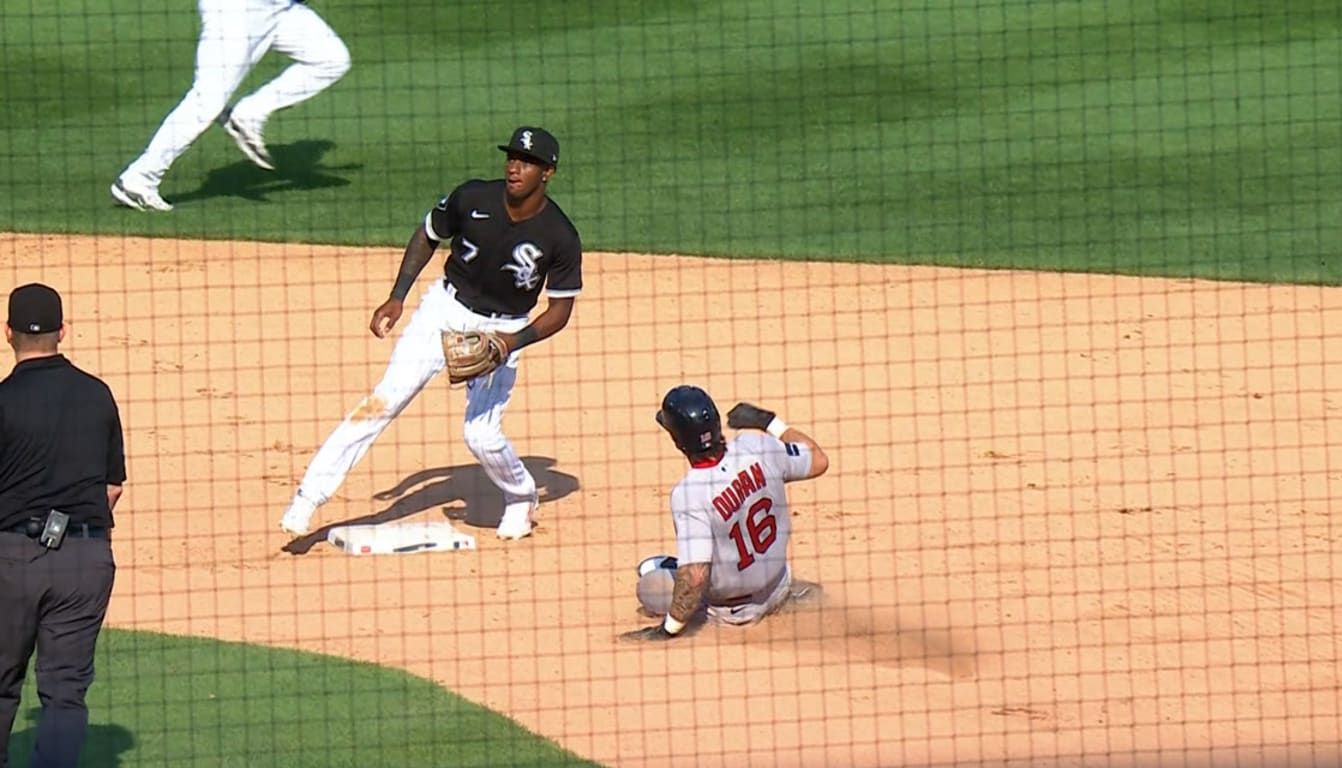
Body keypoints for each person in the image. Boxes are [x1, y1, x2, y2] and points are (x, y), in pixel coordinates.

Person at [280, 126, 582, 541]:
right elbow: (428, 234)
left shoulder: (560, 235)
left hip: (504, 327)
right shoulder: (473, 197)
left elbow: (560, 310)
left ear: (547, 172)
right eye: (512, 157)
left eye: (527, 162)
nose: (515, 167)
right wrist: (397, 296)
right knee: (383, 401)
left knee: (480, 435)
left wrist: (512, 342)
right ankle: (308, 497)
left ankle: (519, 496)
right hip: (444, 309)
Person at [0, 284, 126, 768]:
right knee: (65, 694)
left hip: (12, 562)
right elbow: (112, 486)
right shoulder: (97, 395)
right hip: (87, 559)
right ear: (62, 331)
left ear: (8, 335)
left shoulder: (3, 402)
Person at [624, 386, 829, 642]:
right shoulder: (757, 446)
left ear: (678, 441)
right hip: (780, 586)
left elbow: (696, 576)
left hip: (735, 612)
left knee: (649, 582)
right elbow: (818, 459)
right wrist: (768, 422)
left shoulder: (690, 493)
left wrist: (668, 630)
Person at [110, 0, 352, 212]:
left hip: (282, 9)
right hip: (239, 10)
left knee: (331, 58)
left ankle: (249, 113)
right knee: (207, 100)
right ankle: (139, 179)